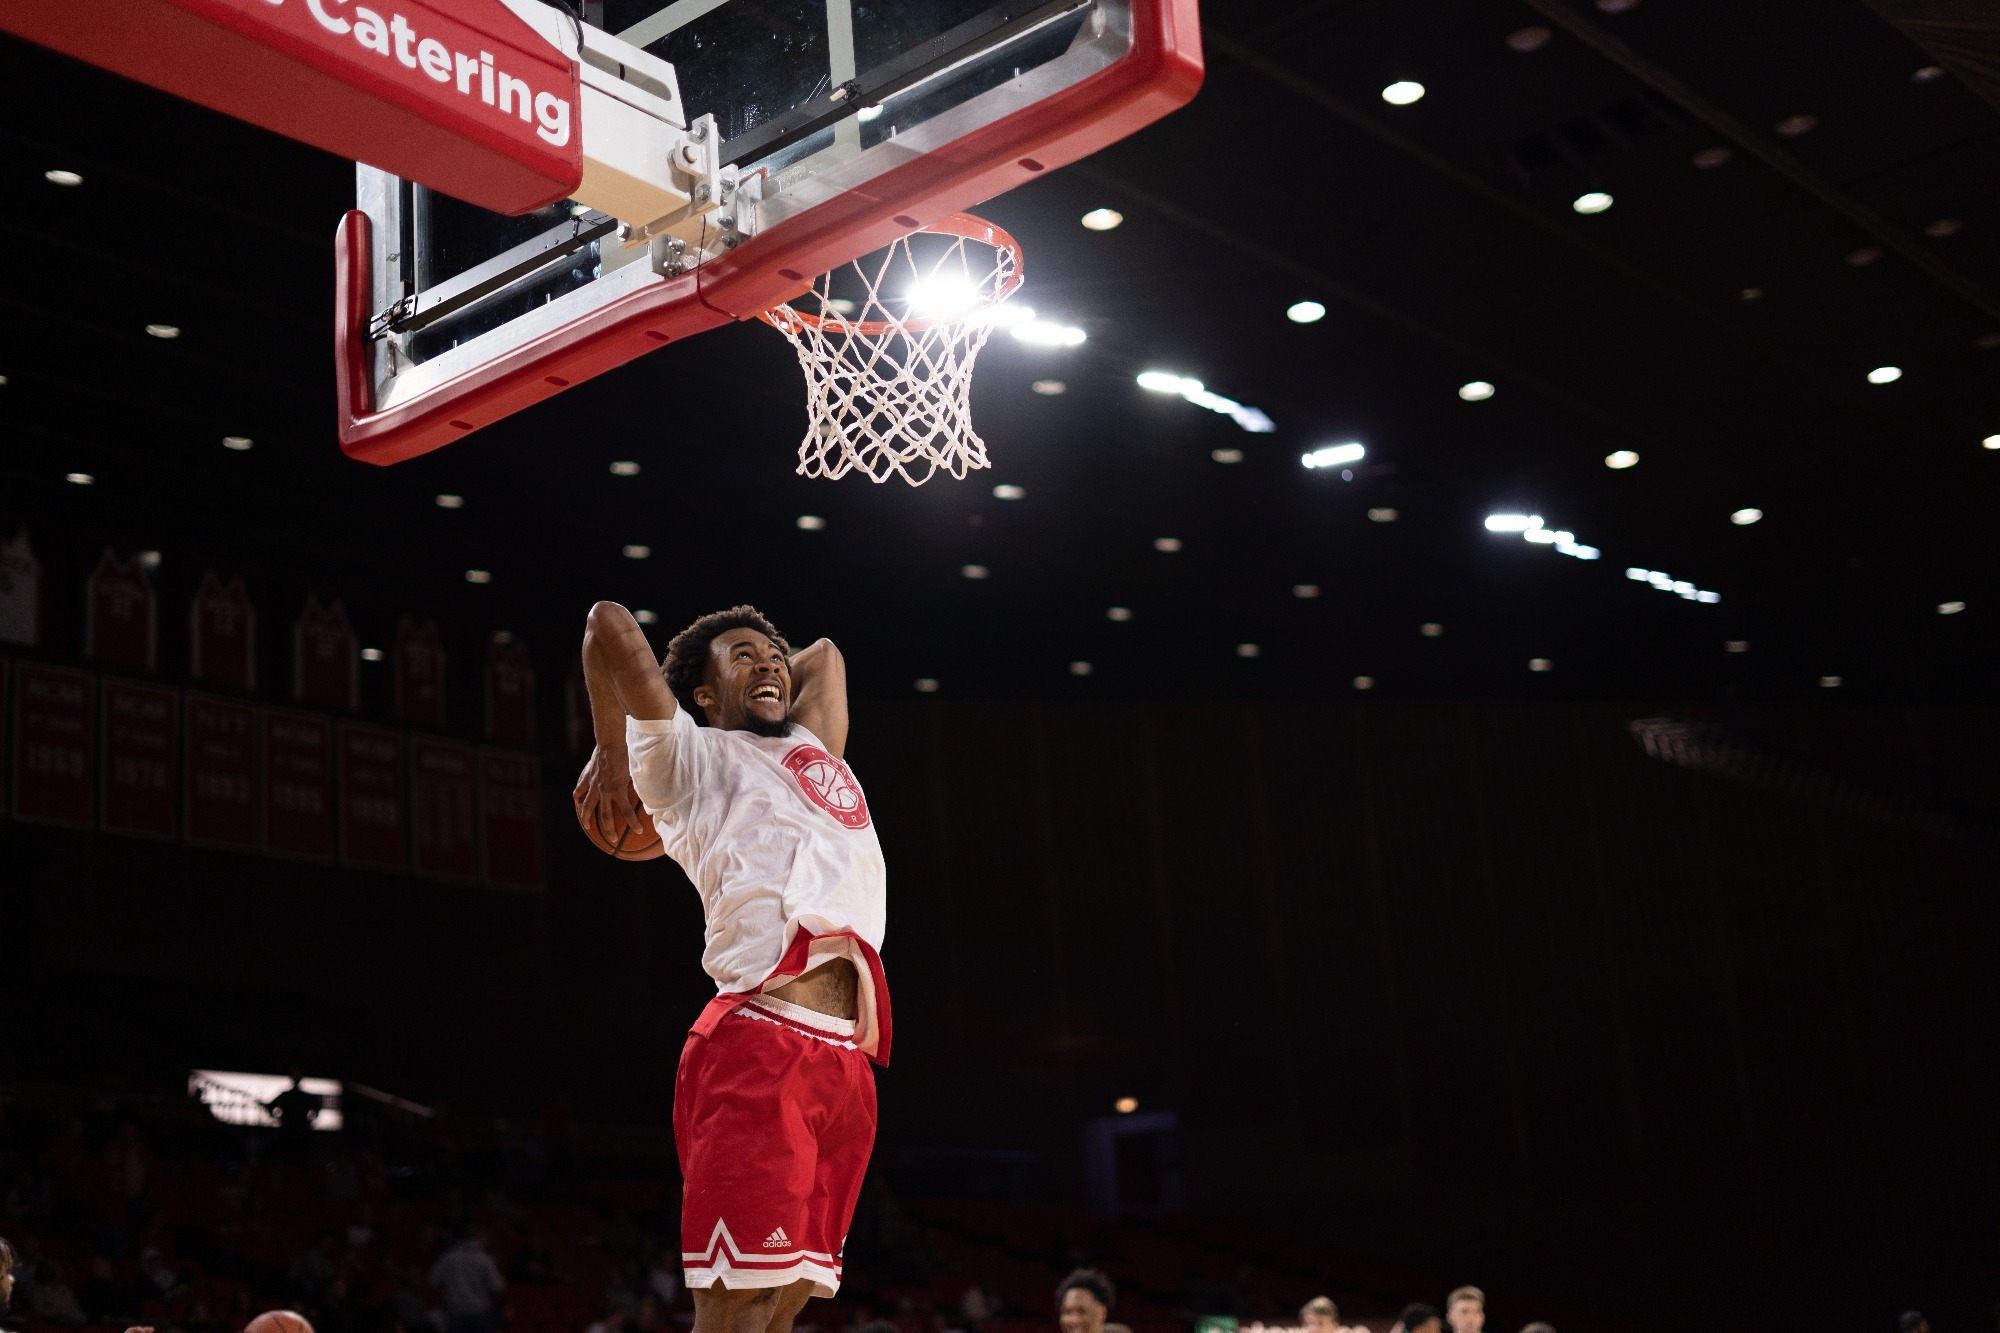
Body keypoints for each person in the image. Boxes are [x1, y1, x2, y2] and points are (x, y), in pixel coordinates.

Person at [574, 603, 888, 1333]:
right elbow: (606, 624)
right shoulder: (683, 756)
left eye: (773, 655)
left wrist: (763, 665)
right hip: (759, 1043)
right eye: (742, 657)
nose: (770, 662)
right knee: (737, 1304)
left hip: (844, 1061)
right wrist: (615, 747)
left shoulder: (811, 743)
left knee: (788, 1301)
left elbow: (825, 652)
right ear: (703, 695)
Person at [427, 1230, 506, 1333]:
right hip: (479, 1314)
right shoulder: (484, 1259)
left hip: (456, 1314)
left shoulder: (448, 1258)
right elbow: (498, 1287)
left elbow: (432, 1281)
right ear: (476, 1239)